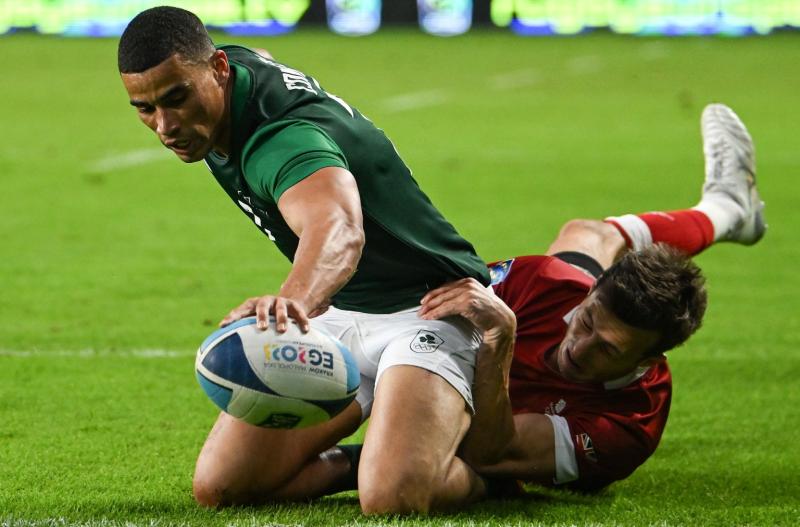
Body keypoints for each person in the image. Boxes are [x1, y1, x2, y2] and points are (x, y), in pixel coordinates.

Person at [117, 6, 494, 514]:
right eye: (144, 108)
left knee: (390, 498)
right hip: (341, 310)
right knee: (221, 487)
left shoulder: (282, 140)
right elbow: (263, 57)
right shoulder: (235, 76)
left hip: (430, 308)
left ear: (219, 70)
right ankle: (377, 452)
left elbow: (339, 231)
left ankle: (491, 469)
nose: (165, 126)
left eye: (177, 98)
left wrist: (291, 303)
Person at [417, 103, 765, 492]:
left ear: (647, 362)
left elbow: (491, 453)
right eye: (584, 321)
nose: (579, 350)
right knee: (589, 233)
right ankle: (728, 208)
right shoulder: (554, 287)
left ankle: (729, 207)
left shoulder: (629, 421)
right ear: (589, 293)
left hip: (530, 439)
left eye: (609, 350)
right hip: (566, 294)